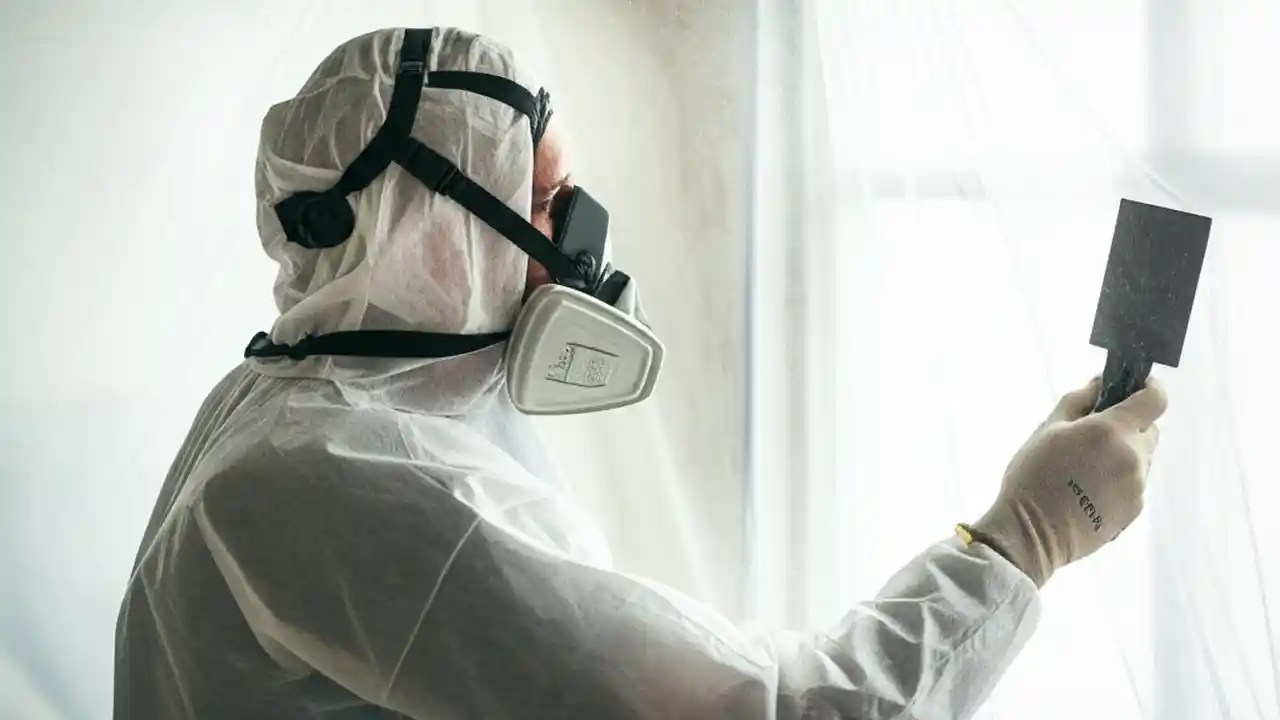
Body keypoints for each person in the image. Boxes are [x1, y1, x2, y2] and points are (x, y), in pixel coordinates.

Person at [113, 26, 1168, 719]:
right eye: (547, 198)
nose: (579, 243)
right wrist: (1020, 540)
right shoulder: (354, 479)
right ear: (428, 225)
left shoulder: (286, 403)